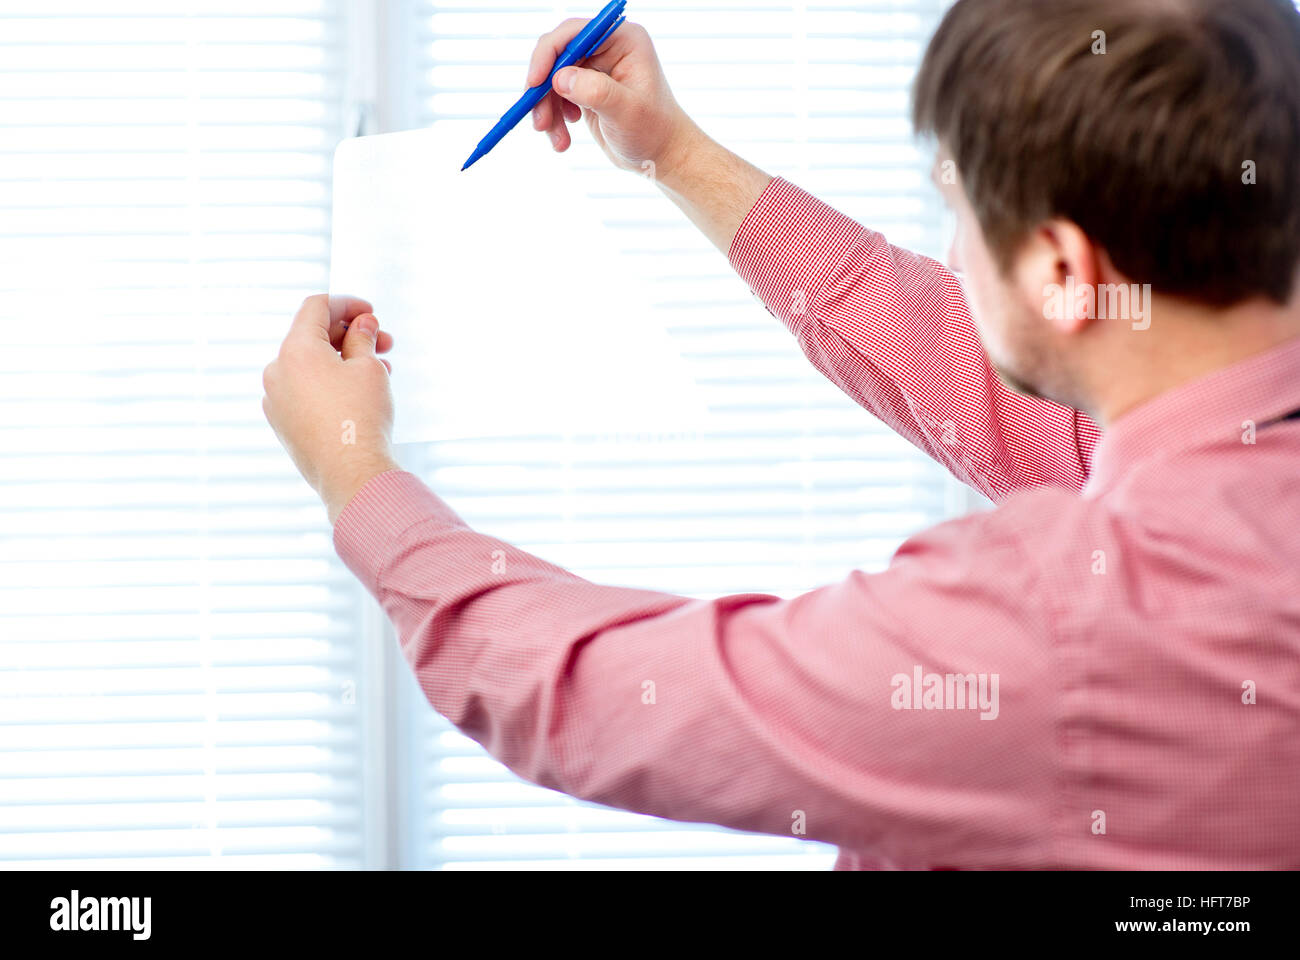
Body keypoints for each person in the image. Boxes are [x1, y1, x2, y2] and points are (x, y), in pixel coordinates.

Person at [262, 0, 1300, 868]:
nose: (950, 251)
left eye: (959, 207)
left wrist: (352, 470)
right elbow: (946, 356)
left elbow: (587, 696)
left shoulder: (1053, 624)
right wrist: (674, 153)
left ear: (1063, 272)